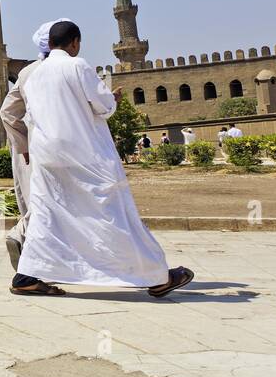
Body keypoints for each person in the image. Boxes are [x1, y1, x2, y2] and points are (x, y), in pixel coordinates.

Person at [11, 20, 193, 297]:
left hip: (47, 156)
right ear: (74, 43)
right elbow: (104, 106)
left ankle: (26, 277)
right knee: (112, 213)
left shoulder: (32, 75)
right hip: (83, 154)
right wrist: (112, 100)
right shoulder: (77, 65)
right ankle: (157, 277)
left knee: (48, 215)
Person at [0, 18, 69, 270]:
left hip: (28, 149)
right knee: (55, 200)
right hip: (54, 148)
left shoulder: (28, 72)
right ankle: (32, 261)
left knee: (37, 199)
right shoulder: (68, 69)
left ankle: (23, 240)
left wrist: (22, 145)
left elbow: (7, 111)